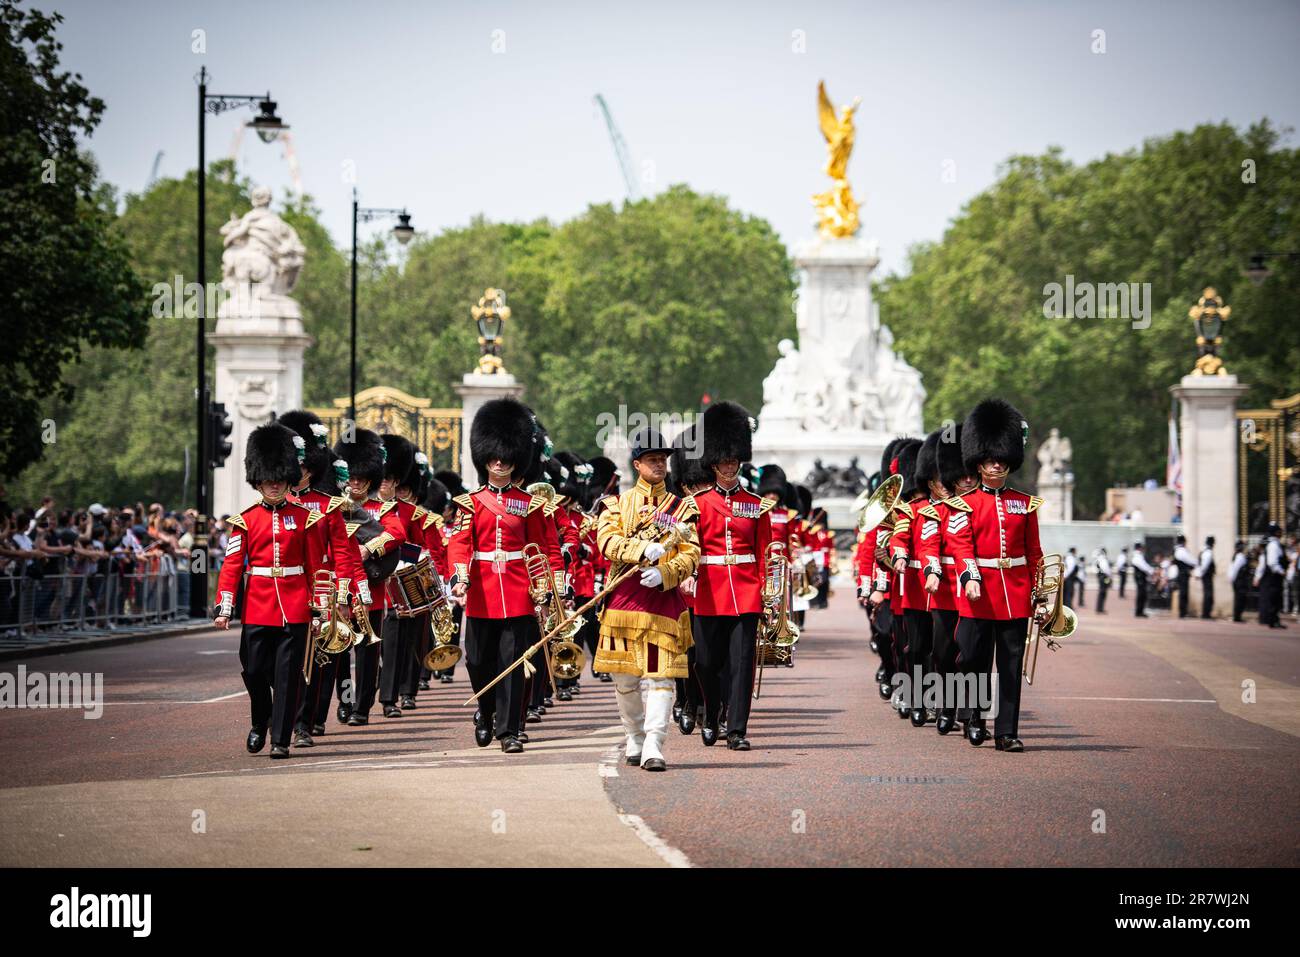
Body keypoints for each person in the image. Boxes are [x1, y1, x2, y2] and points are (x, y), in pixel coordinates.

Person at [448, 398, 563, 753]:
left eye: (505, 455)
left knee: (513, 663)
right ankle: (485, 711)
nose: (498, 462)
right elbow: (460, 544)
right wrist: (460, 578)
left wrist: (551, 587)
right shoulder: (470, 502)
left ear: (516, 458)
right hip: (482, 590)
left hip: (518, 591)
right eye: (493, 456)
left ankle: (509, 730)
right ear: (484, 457)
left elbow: (548, 548)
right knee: (478, 661)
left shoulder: (531, 505)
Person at [214, 423, 324, 758]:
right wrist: (225, 605)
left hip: (294, 607)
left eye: (278, 479)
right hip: (258, 605)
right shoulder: (245, 521)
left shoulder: (306, 519)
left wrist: (319, 606)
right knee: (255, 671)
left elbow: (316, 566)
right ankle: (259, 721)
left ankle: (280, 739)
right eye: (267, 480)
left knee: (288, 676)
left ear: (288, 479)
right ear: (258, 481)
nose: (273, 485)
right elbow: (232, 565)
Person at [592, 428, 700, 771]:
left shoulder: (681, 509)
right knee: (625, 679)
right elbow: (606, 542)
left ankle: (655, 741)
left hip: (662, 602)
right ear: (637, 464)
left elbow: (692, 553)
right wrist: (642, 549)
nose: (660, 465)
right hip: (624, 602)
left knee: (661, 677)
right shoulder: (617, 505)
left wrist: (667, 574)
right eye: (653, 459)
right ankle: (634, 736)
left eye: (663, 460)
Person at [947, 398, 1043, 753]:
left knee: (1010, 665)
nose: (996, 465)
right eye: (990, 459)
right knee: (973, 658)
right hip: (979, 592)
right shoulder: (966, 504)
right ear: (979, 461)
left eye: (1001, 459)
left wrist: (1041, 592)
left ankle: (1006, 732)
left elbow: (1033, 551)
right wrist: (970, 577)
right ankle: (972, 716)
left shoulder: (1024, 503)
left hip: (1014, 594)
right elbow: (960, 546)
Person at [279, 409, 364, 747]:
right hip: (281, 593)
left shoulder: (328, 506)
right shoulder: (275, 504)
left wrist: (343, 596)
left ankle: (304, 721)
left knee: (317, 660)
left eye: (302, 465)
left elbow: (342, 553)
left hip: (321, 594)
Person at [691, 401, 772, 751]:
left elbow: (766, 551)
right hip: (708, 589)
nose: (728, 465)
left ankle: (737, 729)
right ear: (713, 462)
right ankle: (711, 714)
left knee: (742, 662)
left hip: (746, 589)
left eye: (733, 460)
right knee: (707, 662)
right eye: (723, 460)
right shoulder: (698, 503)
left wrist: (768, 590)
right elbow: (688, 548)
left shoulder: (755, 504)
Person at [333, 429, 406, 726]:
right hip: (340, 588)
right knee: (338, 652)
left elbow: (396, 533)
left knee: (366, 652)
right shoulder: (334, 507)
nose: (355, 484)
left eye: (361, 479)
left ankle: (362, 707)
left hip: (370, 591)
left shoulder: (380, 508)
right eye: (351, 478)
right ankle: (345, 701)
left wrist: (368, 547)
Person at [915, 426, 977, 735]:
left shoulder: (983, 507)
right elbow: (928, 546)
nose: (967, 479)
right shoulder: (936, 511)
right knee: (943, 652)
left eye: (970, 473)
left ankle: (970, 714)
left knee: (971, 653)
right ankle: (944, 707)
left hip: (979, 593)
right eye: (961, 474)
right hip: (945, 590)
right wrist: (933, 571)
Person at [888, 437, 932, 727]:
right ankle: (915, 698)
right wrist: (895, 556)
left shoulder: (951, 508)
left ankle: (942, 702)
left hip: (948, 590)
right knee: (913, 647)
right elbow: (898, 539)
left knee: (943, 650)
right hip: (913, 588)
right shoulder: (908, 510)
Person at [1256, 523, 1286, 628]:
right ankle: (1271, 620)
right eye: (1279, 531)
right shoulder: (1273, 544)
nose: (1281, 533)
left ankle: (1272, 620)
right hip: (1273, 576)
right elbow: (1272, 563)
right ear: (1276, 532)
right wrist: (1281, 571)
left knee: (1273, 598)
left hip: (1271, 575)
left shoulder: (1271, 543)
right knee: (1272, 598)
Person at [1172, 535, 1195, 619]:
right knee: (1183, 594)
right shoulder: (1181, 551)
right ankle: (1183, 613)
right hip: (1183, 575)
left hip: (1182, 574)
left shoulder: (1179, 550)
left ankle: (1183, 612)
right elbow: (1191, 561)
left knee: (1184, 593)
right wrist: (1197, 564)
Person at [1131, 543, 1153, 617]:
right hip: (1140, 578)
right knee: (1141, 595)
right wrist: (1152, 571)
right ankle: (1139, 612)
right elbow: (1144, 567)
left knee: (1142, 595)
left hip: (1141, 577)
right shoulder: (1137, 556)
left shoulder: (1138, 556)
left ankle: (1140, 611)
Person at [1229, 540, 1249, 623]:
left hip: (1237, 580)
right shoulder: (1240, 556)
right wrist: (1232, 580)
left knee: (1239, 599)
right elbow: (1235, 569)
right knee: (1240, 599)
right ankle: (1237, 617)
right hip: (1239, 581)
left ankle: (1237, 616)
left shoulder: (1236, 556)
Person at [1197, 536, 1216, 619]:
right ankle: (1206, 614)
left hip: (1206, 575)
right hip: (1207, 576)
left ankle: (1206, 613)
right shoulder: (1208, 552)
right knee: (1208, 595)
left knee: (1207, 595)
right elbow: (1204, 566)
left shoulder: (1205, 551)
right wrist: (1200, 574)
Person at [1094, 547, 1111, 614]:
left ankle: (1100, 608)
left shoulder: (1099, 559)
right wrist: (1110, 576)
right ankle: (1100, 608)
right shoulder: (1103, 559)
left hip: (1101, 577)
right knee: (1102, 593)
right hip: (1104, 577)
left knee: (1102, 592)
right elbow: (1106, 569)